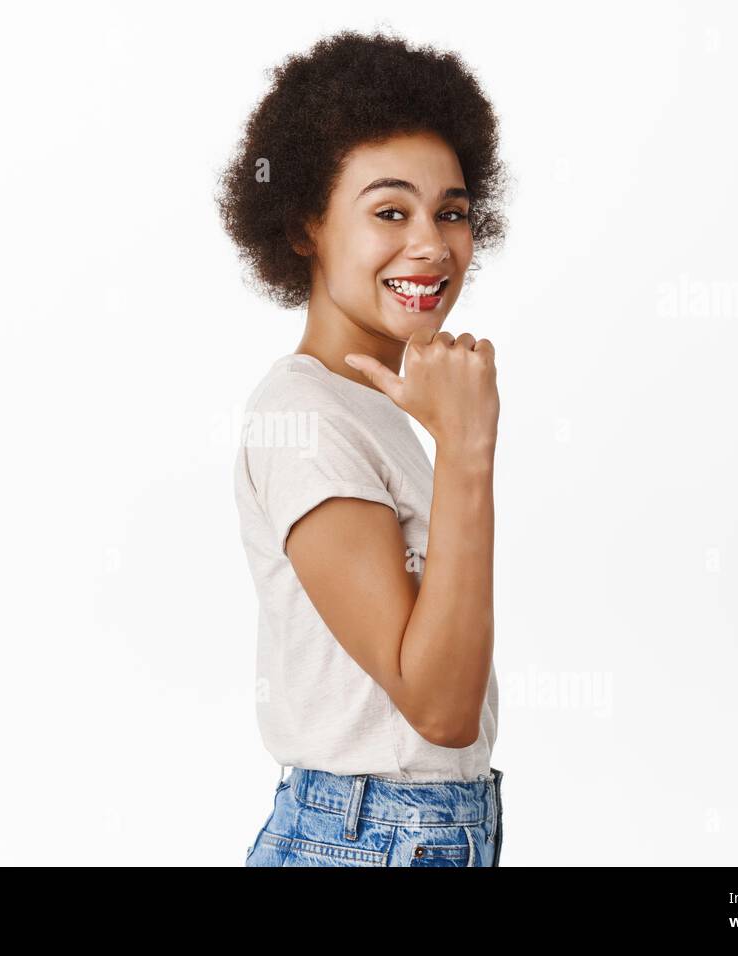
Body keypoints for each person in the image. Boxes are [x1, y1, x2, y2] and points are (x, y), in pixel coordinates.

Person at [218, 29, 510, 866]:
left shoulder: (372, 409)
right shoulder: (305, 418)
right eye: (390, 211)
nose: (431, 244)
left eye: (450, 212)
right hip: (366, 838)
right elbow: (439, 709)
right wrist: (468, 447)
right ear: (306, 225)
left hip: (413, 831)